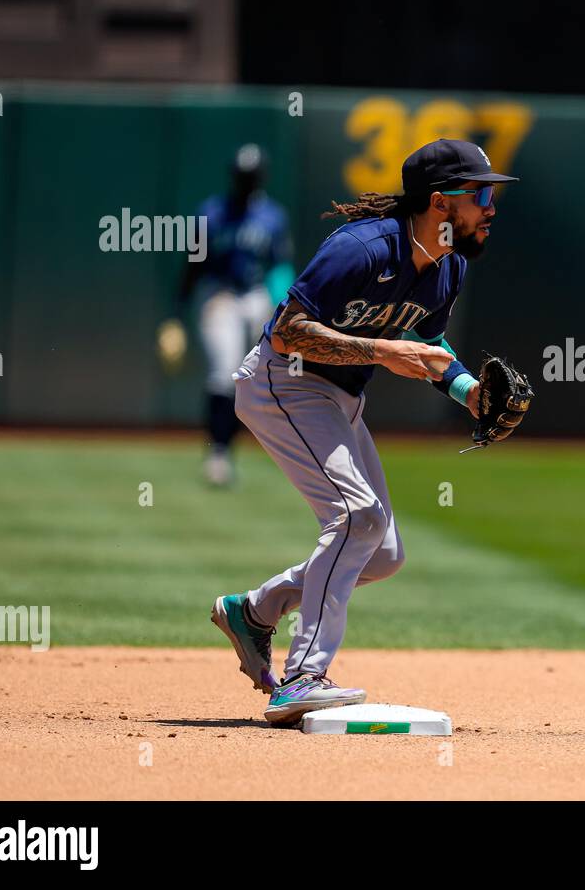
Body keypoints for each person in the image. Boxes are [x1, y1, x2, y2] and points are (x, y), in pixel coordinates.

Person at [209, 138, 517, 727]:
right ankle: (302, 677)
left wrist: (469, 391)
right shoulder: (360, 248)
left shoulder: (446, 266)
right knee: (359, 518)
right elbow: (287, 333)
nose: (491, 207)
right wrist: (378, 349)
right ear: (440, 202)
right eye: (482, 194)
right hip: (282, 382)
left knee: (384, 552)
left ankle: (254, 612)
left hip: (338, 397)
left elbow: (426, 346)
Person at [174, 144, 294, 486]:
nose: (246, 182)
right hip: (220, 295)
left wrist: (283, 306)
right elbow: (193, 265)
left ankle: (262, 447)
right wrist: (177, 312)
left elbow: (280, 266)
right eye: (243, 176)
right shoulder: (211, 213)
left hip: (256, 295)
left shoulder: (273, 216)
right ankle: (218, 455)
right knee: (224, 373)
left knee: (258, 375)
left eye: (252, 177)